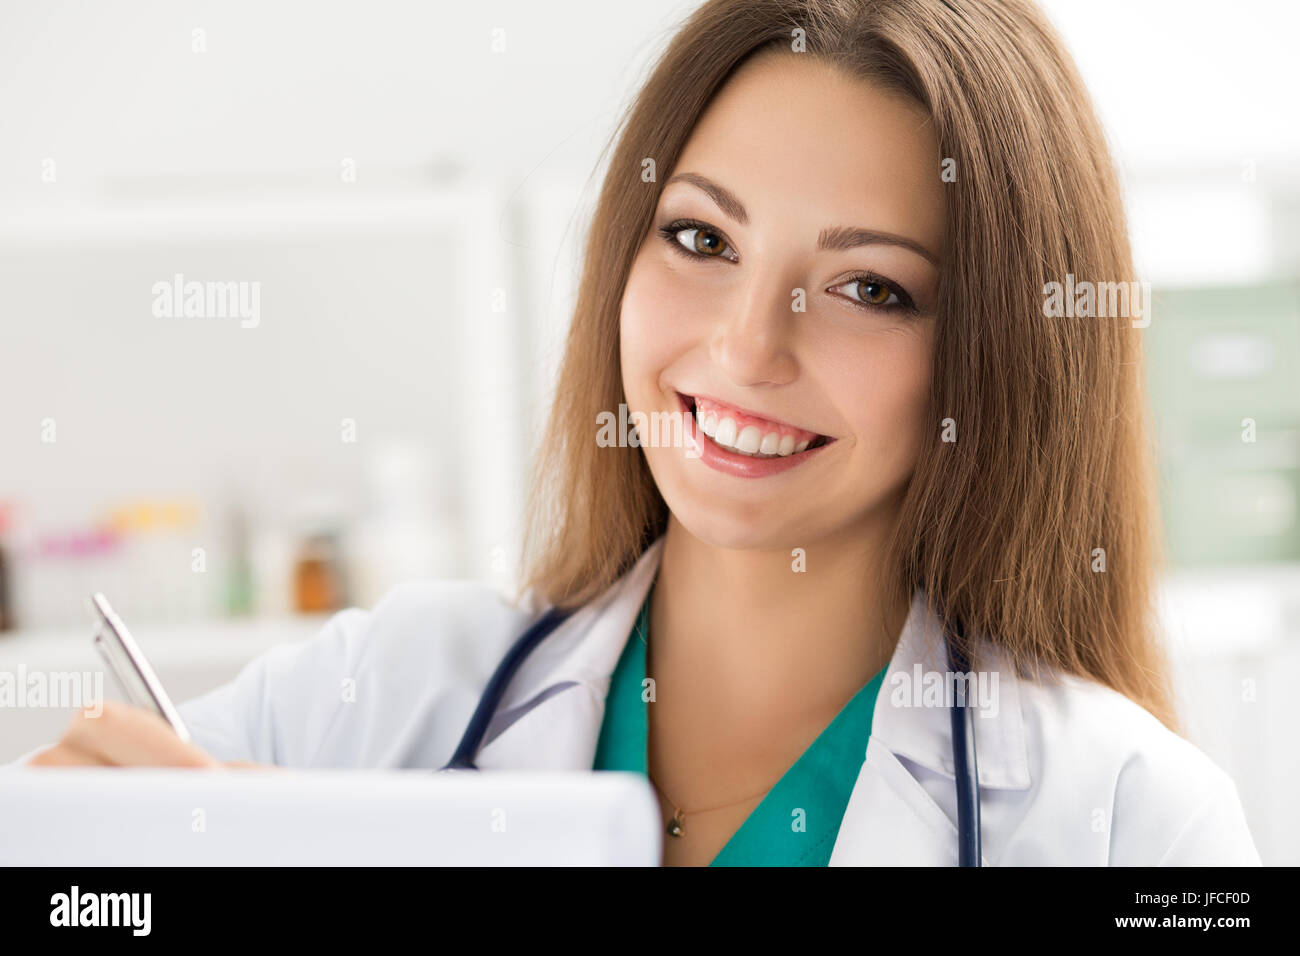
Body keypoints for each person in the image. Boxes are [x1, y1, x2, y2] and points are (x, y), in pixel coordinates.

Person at [17, 0, 1261, 866]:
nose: (744, 348)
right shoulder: (381, 697)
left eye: (868, 286)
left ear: (997, 356)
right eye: (701, 238)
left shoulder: (1127, 821)